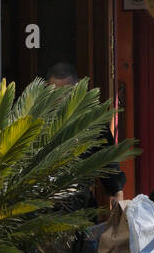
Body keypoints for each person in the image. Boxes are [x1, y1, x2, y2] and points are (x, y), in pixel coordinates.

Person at [45, 60, 125, 202]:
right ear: (47, 89)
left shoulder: (92, 120)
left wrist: (117, 193)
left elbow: (107, 160)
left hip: (79, 202)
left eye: (69, 92)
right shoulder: (38, 120)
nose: (64, 99)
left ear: (79, 86)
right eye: (58, 93)